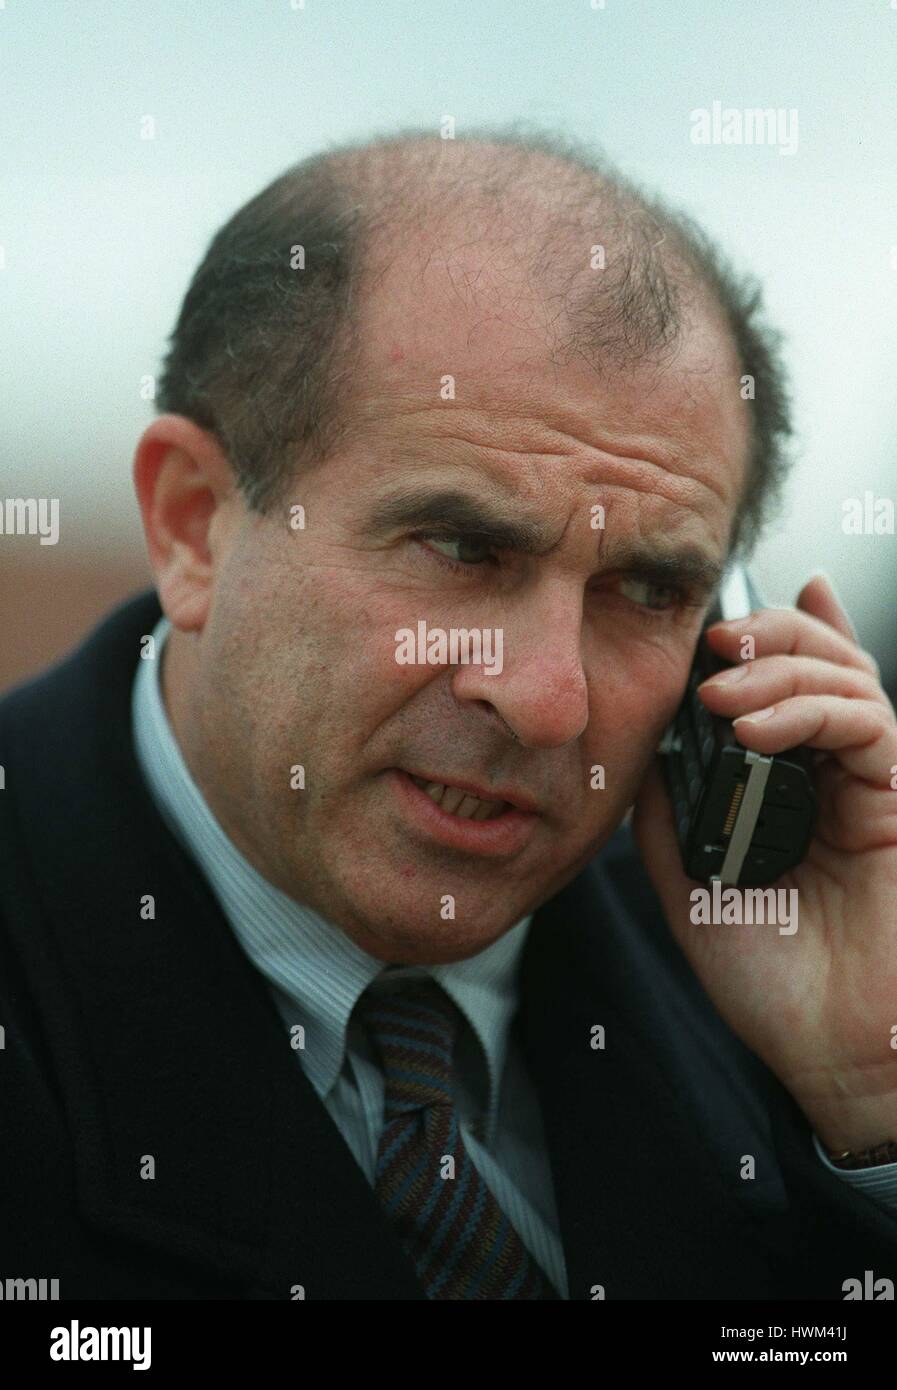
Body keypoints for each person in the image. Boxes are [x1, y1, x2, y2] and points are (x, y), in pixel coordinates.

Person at [2, 127, 897, 1301]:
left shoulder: (758, 993)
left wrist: (869, 1105)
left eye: (649, 590)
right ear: (193, 524)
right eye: (461, 546)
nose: (545, 701)